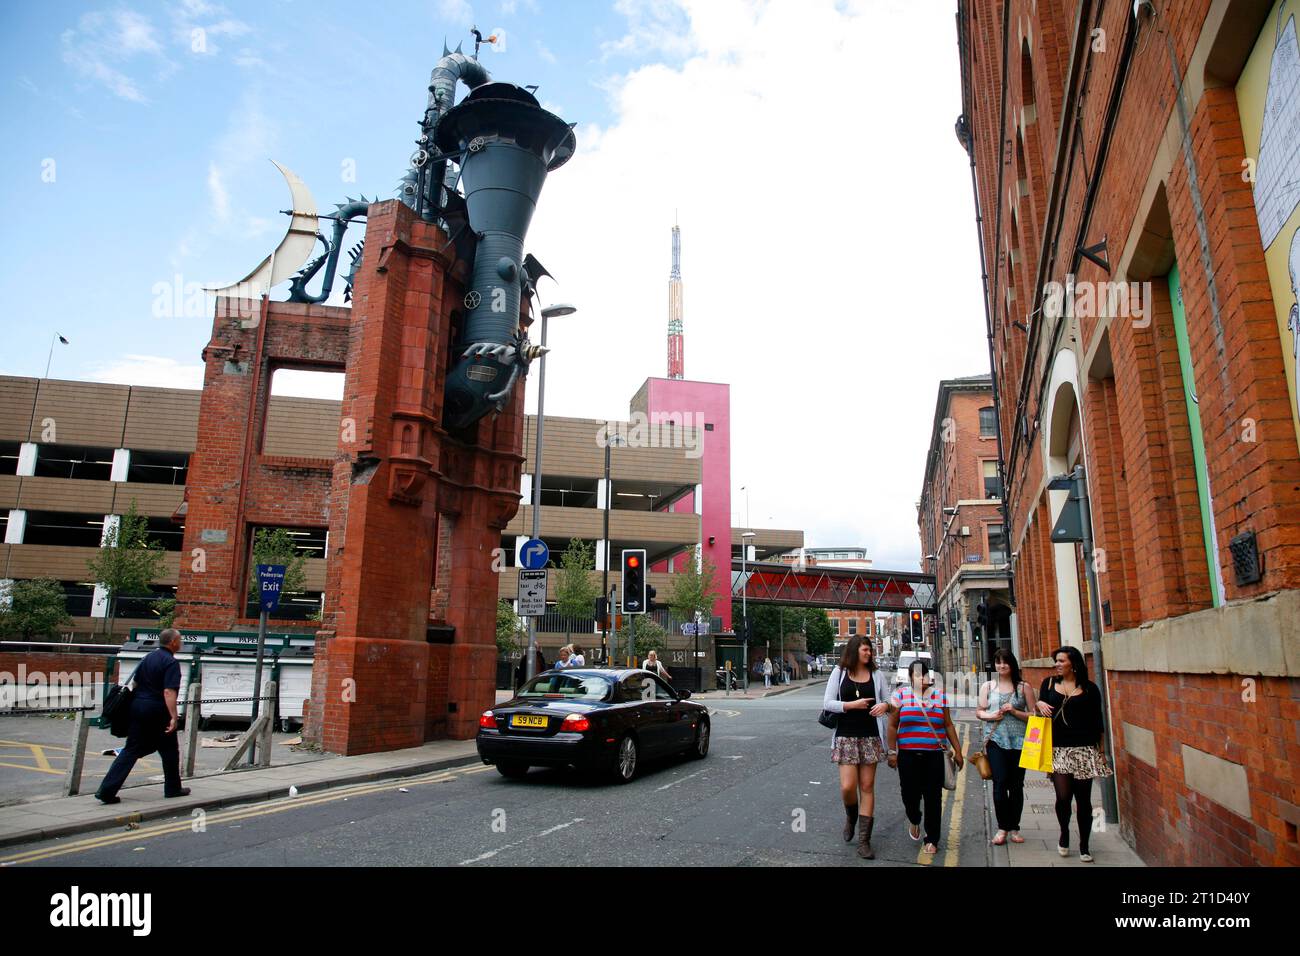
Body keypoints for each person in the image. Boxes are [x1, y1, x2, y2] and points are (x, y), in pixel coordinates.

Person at [96, 628, 190, 803]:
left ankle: (106, 791)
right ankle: (172, 788)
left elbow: (136, 683)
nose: (181, 643)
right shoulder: (170, 662)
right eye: (180, 640)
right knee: (170, 751)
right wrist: (174, 717)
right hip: (157, 710)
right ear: (173, 642)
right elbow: (169, 692)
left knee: (131, 749)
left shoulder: (148, 658)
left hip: (138, 707)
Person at [1037, 645, 1112, 862]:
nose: (1057, 665)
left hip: (1084, 751)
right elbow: (1040, 713)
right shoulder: (1049, 684)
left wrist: (1102, 751)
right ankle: (1064, 832)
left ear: (1073, 663)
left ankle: (1085, 844)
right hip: (1058, 749)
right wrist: (1040, 703)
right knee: (1062, 798)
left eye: (1061, 661)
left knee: (1084, 800)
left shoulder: (1090, 689)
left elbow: (1098, 723)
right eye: (1056, 661)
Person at [822, 635, 893, 859]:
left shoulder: (877, 675)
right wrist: (851, 705)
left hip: (870, 736)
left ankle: (864, 841)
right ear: (854, 651)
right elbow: (827, 703)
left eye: (870, 650)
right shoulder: (839, 672)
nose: (869, 653)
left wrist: (885, 706)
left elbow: (890, 703)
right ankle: (851, 816)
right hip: (845, 737)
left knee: (867, 786)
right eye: (865, 650)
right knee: (847, 786)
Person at [887, 658, 963, 855]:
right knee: (909, 795)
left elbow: (948, 725)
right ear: (911, 677)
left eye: (925, 674)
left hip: (934, 756)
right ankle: (914, 818)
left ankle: (932, 838)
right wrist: (892, 751)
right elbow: (893, 725)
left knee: (933, 797)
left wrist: (958, 751)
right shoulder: (901, 695)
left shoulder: (939, 697)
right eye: (917, 674)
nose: (922, 678)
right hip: (908, 756)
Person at [976, 648, 1037, 846]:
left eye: (1005, 662)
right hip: (996, 741)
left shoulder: (1023, 687)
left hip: (1020, 741)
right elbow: (979, 712)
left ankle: (1015, 827)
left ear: (1012, 664)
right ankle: (1002, 827)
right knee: (1000, 783)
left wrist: (1014, 711)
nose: (1001, 665)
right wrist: (991, 716)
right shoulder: (988, 686)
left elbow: (1034, 716)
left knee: (1016, 786)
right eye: (998, 662)